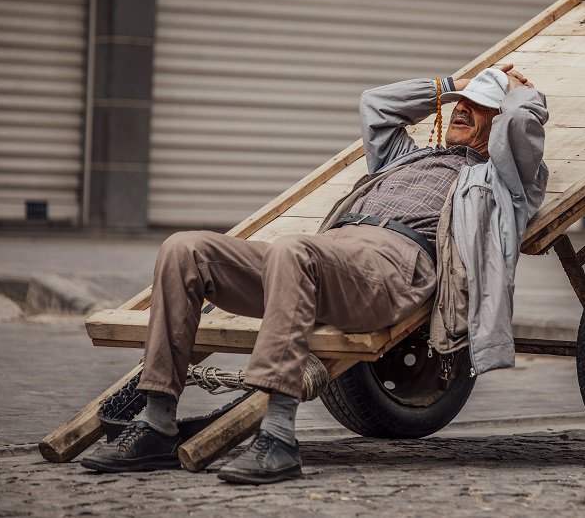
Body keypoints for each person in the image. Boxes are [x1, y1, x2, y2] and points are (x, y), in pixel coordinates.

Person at [80, 64, 548, 484]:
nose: (464, 108)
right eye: (462, 104)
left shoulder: (505, 181)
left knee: (293, 250)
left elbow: (522, 123)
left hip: (394, 267)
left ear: (499, 121)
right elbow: (376, 103)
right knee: (184, 250)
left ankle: (278, 436)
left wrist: (515, 91)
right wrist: (453, 85)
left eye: (480, 106)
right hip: (330, 254)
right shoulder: (405, 157)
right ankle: (157, 422)